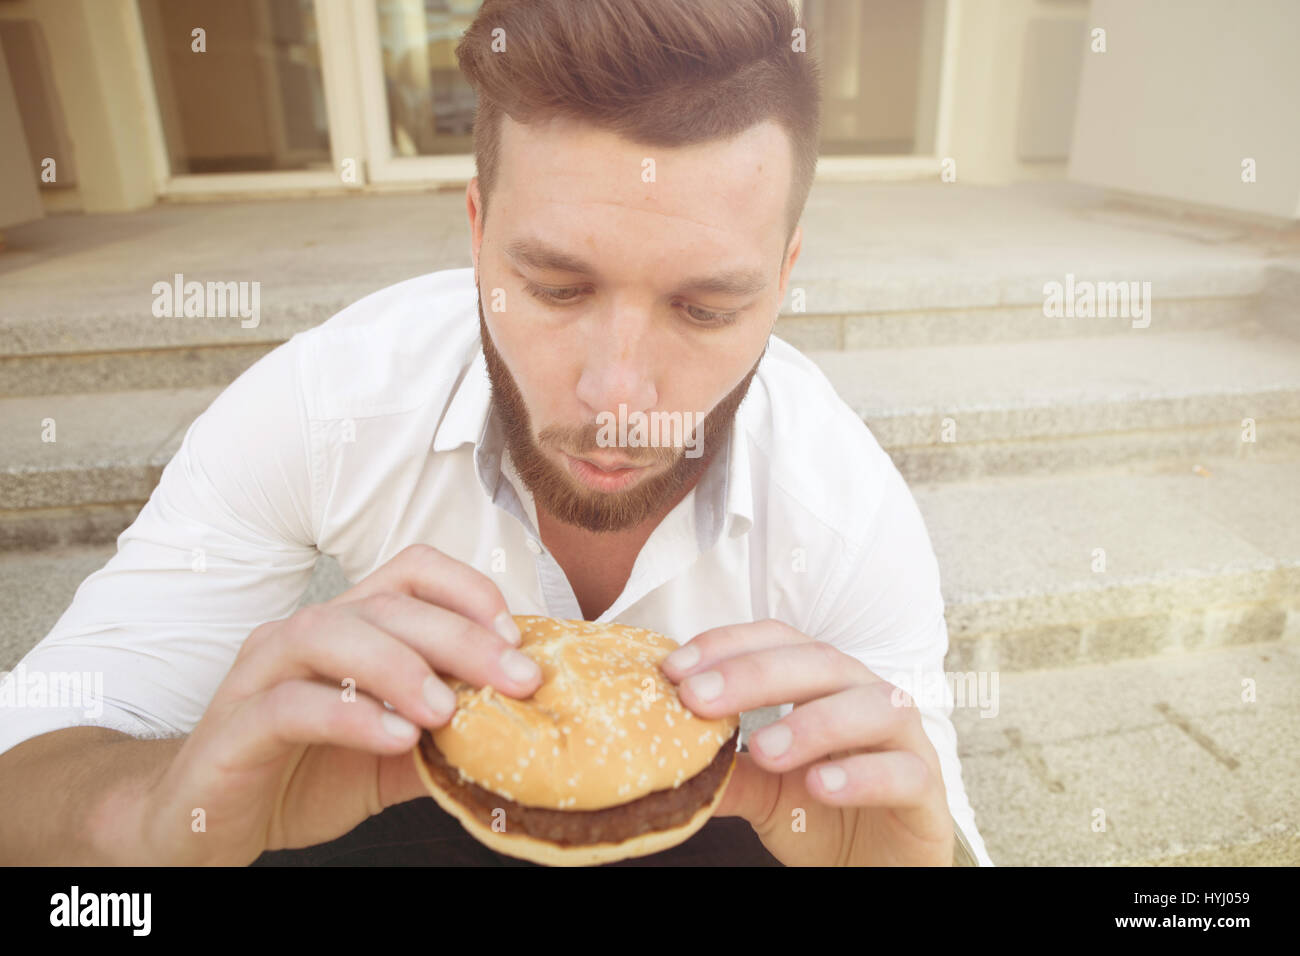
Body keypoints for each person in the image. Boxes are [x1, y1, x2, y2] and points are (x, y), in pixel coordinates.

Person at [0, 0, 990, 866]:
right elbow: (35, 747)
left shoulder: (847, 511)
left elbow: (915, 803)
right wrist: (148, 813)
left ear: (784, 277)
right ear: (474, 232)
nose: (617, 392)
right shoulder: (326, 403)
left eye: (704, 308)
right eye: (555, 287)